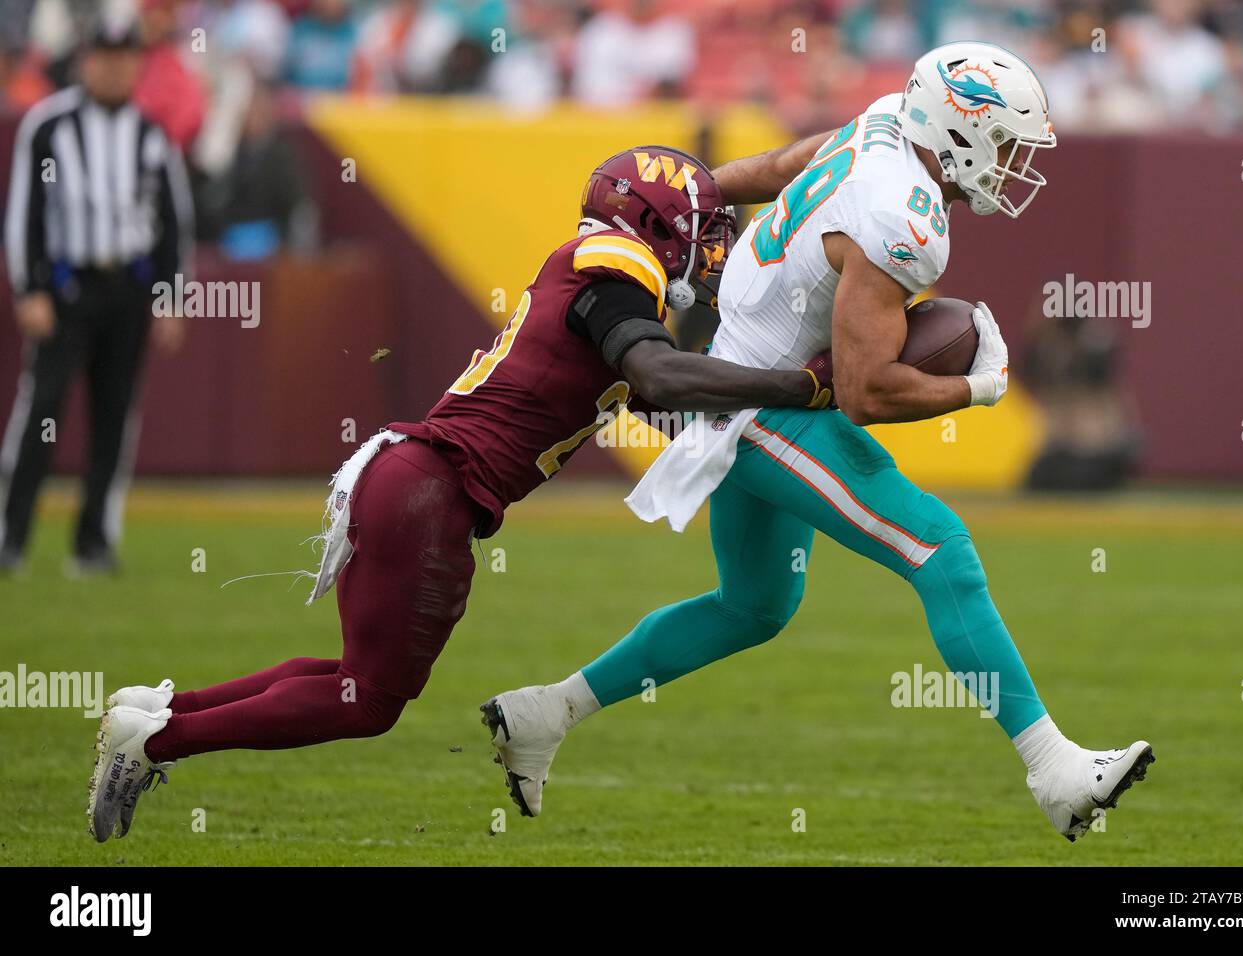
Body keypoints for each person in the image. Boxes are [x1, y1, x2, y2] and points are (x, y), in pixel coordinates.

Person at [482, 42, 1155, 843]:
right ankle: (1056, 770)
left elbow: (777, 164)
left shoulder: (882, 124)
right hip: (765, 405)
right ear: (960, 132)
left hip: (742, 372)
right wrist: (979, 386)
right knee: (940, 549)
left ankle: (545, 713)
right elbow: (866, 393)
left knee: (754, 606)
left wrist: (685, 199)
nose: (1010, 165)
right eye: (1004, 144)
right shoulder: (903, 218)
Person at [85, 145, 836, 843]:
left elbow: (673, 405)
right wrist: (803, 386)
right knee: (368, 702)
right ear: (649, 221)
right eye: (701, 229)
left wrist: (781, 397)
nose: (712, 249)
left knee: (354, 678)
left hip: (413, 480)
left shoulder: (606, 290)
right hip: (429, 492)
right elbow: (664, 377)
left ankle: (163, 716)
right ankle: (160, 740)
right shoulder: (615, 266)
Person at [0, 17, 191, 577]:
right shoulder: (49, 125)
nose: (114, 66)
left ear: (137, 62)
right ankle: (10, 536)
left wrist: (171, 296)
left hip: (128, 289)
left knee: (115, 417)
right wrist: (29, 288)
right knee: (41, 410)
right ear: (84, 61)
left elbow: (173, 222)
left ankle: (94, 542)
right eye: (104, 56)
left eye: (125, 56)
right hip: (67, 287)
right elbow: (23, 214)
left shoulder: (152, 134)